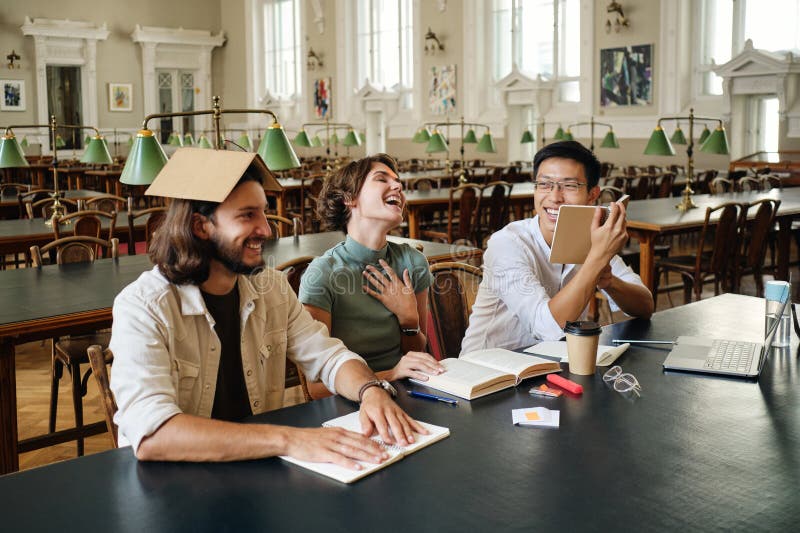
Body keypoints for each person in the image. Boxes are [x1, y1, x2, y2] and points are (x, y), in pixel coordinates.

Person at [110, 148, 426, 469]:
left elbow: (329, 357)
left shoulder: (270, 287)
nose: (266, 229)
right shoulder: (143, 306)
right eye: (248, 215)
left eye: (263, 212)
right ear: (201, 227)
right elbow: (152, 435)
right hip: (175, 481)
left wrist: (370, 389)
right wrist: (290, 439)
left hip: (255, 466)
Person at [461, 141, 653, 354]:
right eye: (544, 184)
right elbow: (548, 329)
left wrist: (610, 282)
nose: (554, 197)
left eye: (569, 186)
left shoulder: (591, 238)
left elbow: (645, 307)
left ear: (592, 195)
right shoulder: (506, 243)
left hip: (551, 367)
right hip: (487, 373)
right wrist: (597, 259)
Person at [299, 154, 444, 396]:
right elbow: (317, 388)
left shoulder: (413, 261)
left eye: (398, 181)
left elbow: (416, 354)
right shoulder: (323, 273)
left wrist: (408, 319)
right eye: (381, 179)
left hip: (408, 392)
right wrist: (390, 375)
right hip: (348, 401)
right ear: (349, 198)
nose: (398, 186)